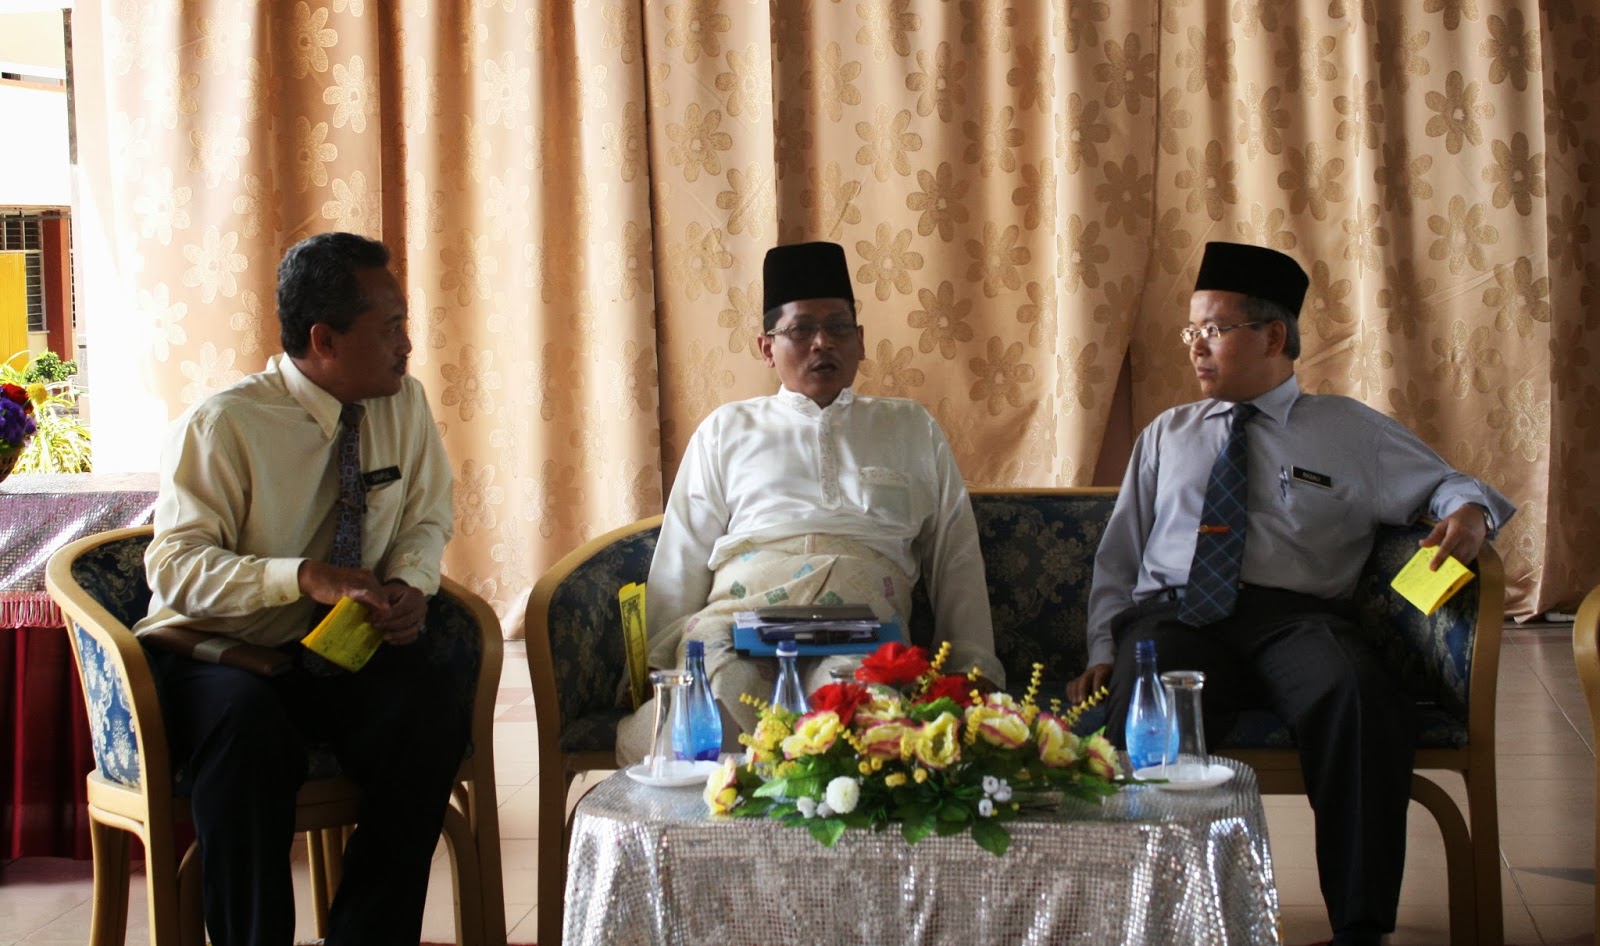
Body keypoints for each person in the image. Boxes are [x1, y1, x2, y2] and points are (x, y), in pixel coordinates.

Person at [1066, 241, 1514, 946]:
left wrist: (1471, 512)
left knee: (1359, 697)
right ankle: (1158, 925)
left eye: (1213, 330)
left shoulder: (1348, 432)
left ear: (1273, 337)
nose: (1196, 348)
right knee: (1153, 703)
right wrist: (1104, 645)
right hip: (1177, 616)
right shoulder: (1167, 435)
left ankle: (1361, 927)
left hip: (1294, 619)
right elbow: (1118, 557)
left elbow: (1448, 484)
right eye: (1192, 332)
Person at [135, 231, 461, 946]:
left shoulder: (401, 403)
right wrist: (299, 577)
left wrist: (411, 580)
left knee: (430, 710)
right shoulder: (224, 425)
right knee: (249, 731)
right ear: (324, 339)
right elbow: (174, 567)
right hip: (220, 655)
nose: (408, 343)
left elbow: (429, 512)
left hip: (338, 653)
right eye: (391, 327)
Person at [618, 241, 1004, 763]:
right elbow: (681, 554)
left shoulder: (910, 427)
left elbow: (955, 556)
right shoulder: (726, 430)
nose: (823, 342)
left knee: (861, 722)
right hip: (738, 627)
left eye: (839, 327)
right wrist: (658, 669)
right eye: (801, 330)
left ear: (861, 341)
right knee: (711, 706)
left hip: (861, 633)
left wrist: (973, 669)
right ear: (766, 346)